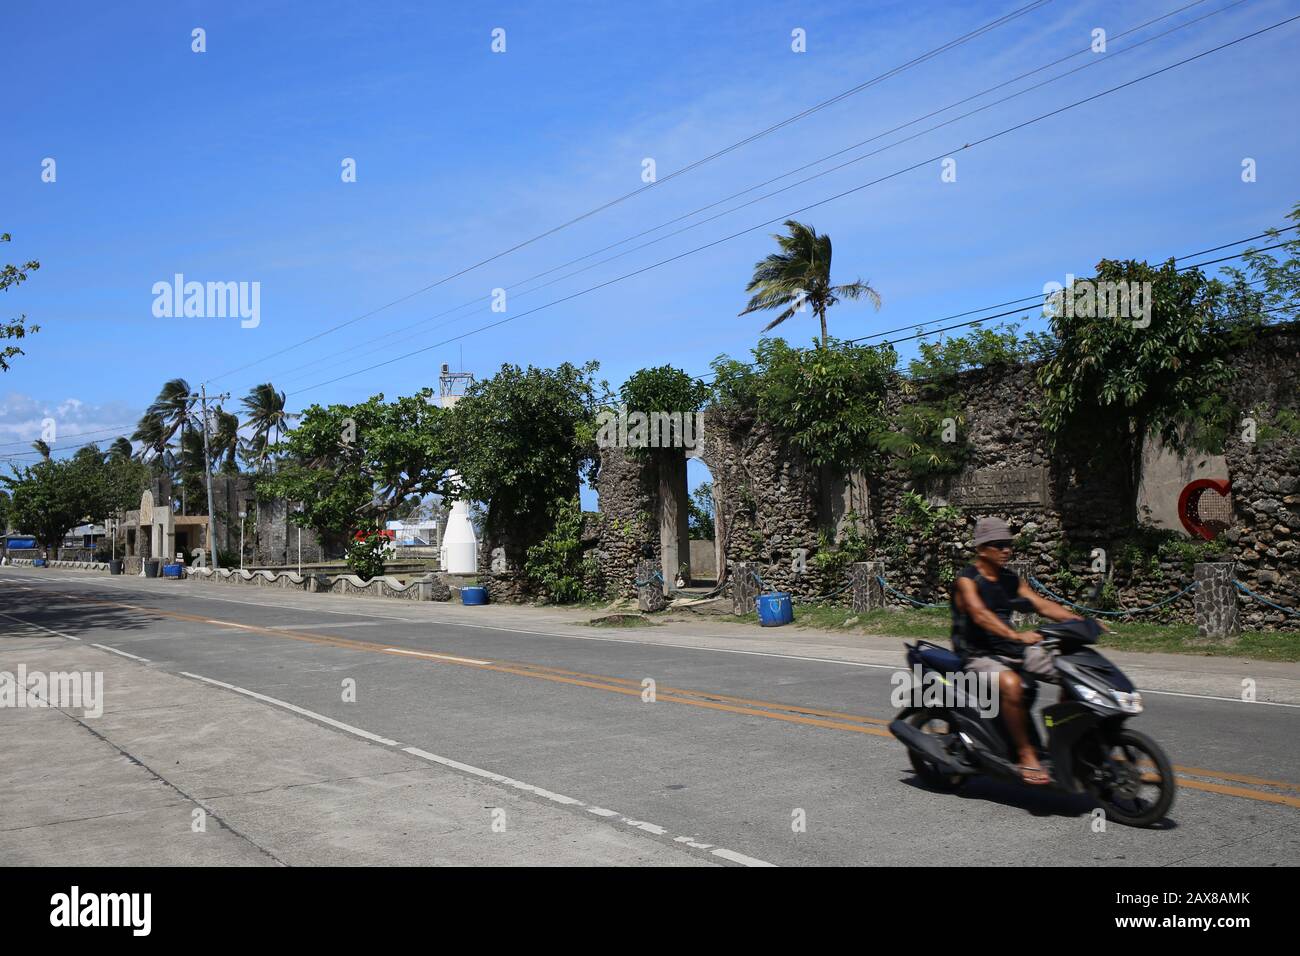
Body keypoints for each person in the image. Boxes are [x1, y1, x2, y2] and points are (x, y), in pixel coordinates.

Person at [953, 516, 1082, 785]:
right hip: (978, 654)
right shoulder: (967, 580)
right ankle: (1025, 754)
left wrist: (1079, 621)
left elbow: (1041, 604)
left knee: (1072, 671)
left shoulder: (1010, 579)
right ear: (981, 549)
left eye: (1008, 544)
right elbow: (980, 614)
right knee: (1012, 684)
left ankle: (1062, 741)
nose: (1006, 550)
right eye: (998, 545)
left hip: (1012, 648)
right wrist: (1016, 634)